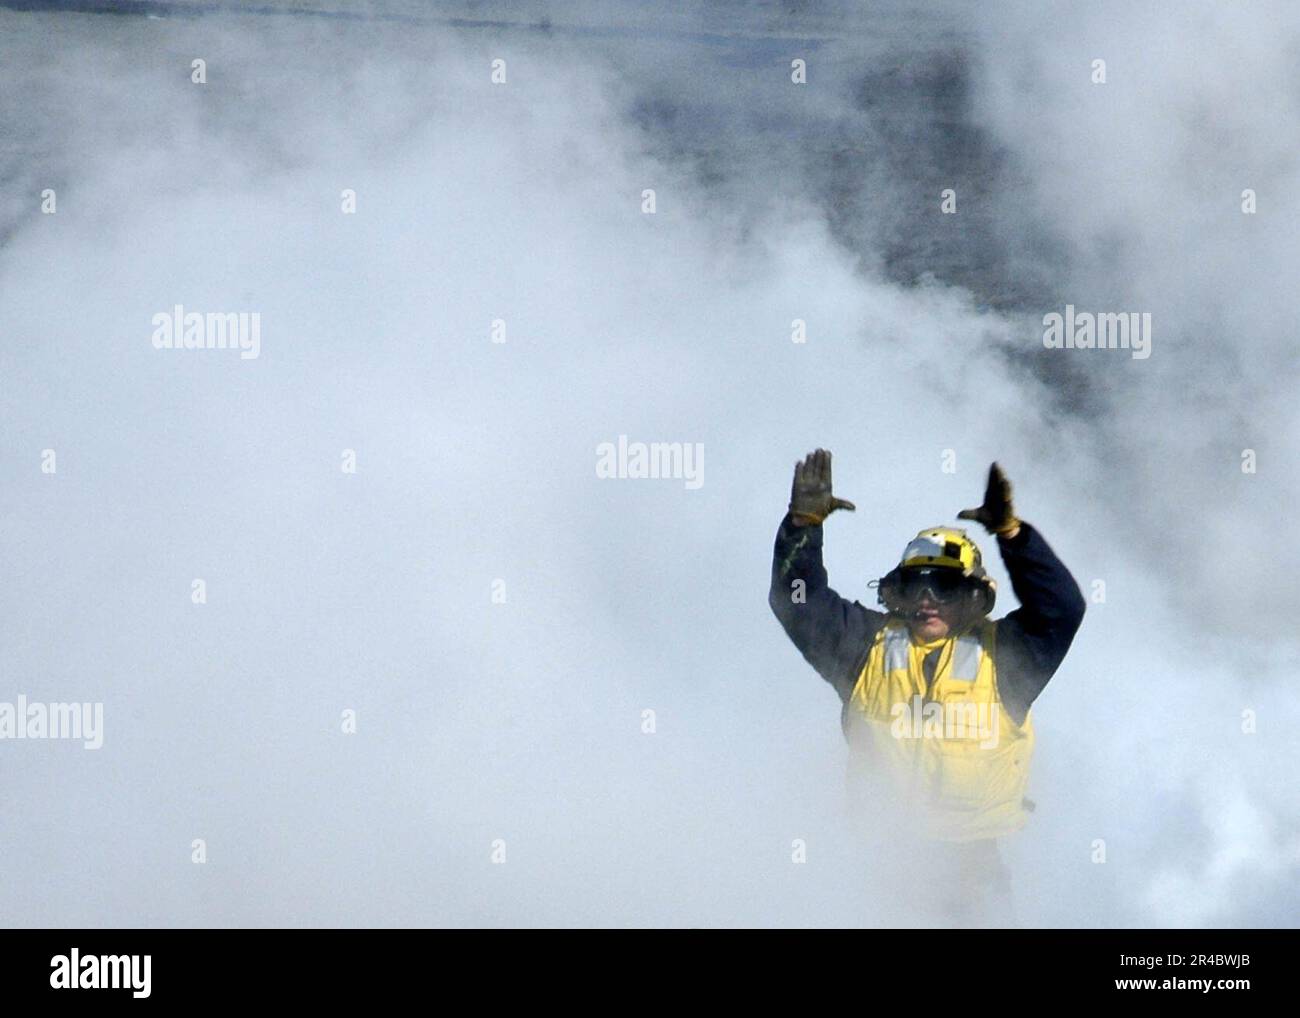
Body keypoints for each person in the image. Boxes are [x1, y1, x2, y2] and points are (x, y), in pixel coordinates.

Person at [769, 450, 1086, 924]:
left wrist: (1013, 537)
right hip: (884, 865)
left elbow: (1062, 608)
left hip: (975, 873)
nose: (928, 600)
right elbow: (796, 602)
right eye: (916, 586)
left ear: (974, 596)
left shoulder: (1007, 657)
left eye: (945, 587)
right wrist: (802, 525)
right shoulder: (862, 646)